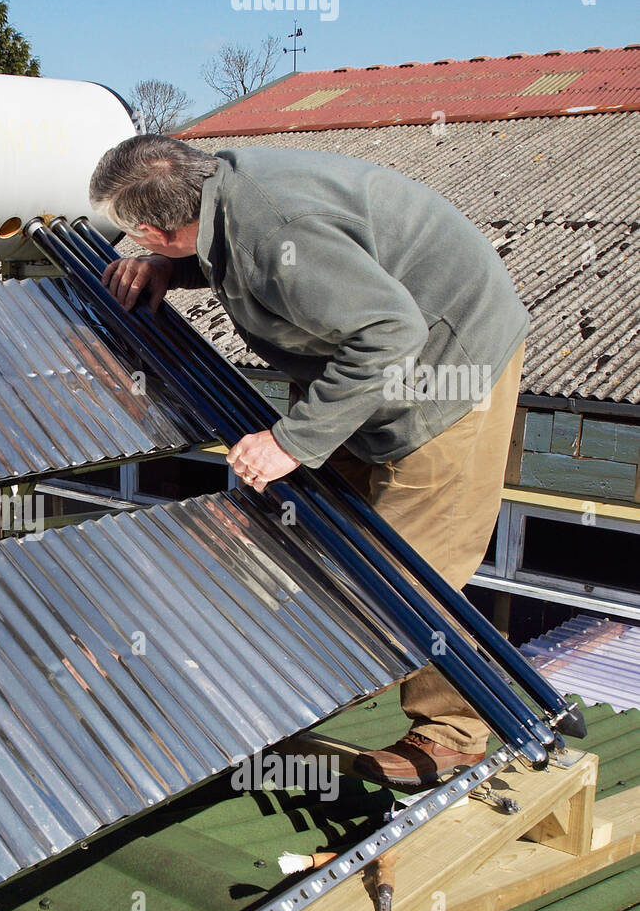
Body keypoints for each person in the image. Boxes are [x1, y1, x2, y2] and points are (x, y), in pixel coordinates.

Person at [89, 134, 528, 792]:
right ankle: (238, 684)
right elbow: (234, 254)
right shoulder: (222, 189)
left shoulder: (277, 233)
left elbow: (390, 332)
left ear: (160, 225)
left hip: (447, 369)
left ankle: (453, 735)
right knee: (306, 527)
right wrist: (167, 269)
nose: (136, 244)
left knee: (407, 571)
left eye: (139, 238)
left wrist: (291, 441)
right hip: (359, 369)